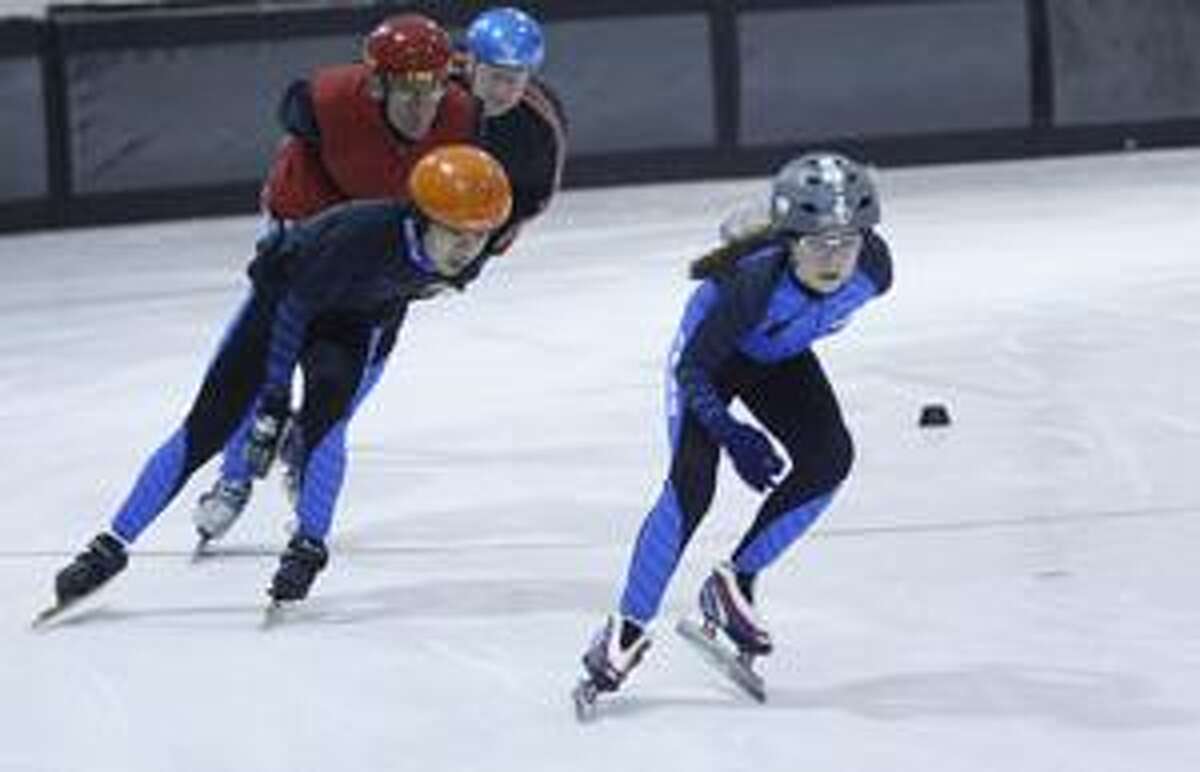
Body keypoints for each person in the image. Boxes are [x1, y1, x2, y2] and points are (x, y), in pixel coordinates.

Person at [50, 144, 513, 610]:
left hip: (352, 316)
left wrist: (360, 363)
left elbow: (396, 298)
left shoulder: (470, 257)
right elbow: (293, 312)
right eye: (455, 232)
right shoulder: (358, 236)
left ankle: (309, 543)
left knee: (328, 418)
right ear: (421, 217)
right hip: (285, 302)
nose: (466, 247)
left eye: (478, 235)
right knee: (211, 424)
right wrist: (273, 400)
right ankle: (109, 545)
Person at [577, 152, 894, 694]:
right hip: (712, 361)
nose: (834, 260)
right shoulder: (752, 285)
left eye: (848, 242)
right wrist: (733, 434)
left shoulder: (875, 272)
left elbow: (801, 318)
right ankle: (626, 629)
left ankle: (734, 582)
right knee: (693, 486)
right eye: (818, 243)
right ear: (791, 239)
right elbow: (693, 371)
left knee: (830, 459)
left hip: (776, 357)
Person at [193, 12, 481, 546]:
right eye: (409, 87)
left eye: (435, 85)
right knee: (256, 369)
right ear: (375, 83)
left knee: (354, 375)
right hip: (305, 242)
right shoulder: (319, 103)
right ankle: (234, 479)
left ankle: (308, 442)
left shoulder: (460, 116)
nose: (423, 102)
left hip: (377, 260)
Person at [454, 6, 567, 268]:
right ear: (471, 64)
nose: (501, 91)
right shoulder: (437, 90)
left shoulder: (539, 122)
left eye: (514, 81)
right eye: (494, 77)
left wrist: (486, 247)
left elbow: (535, 195)